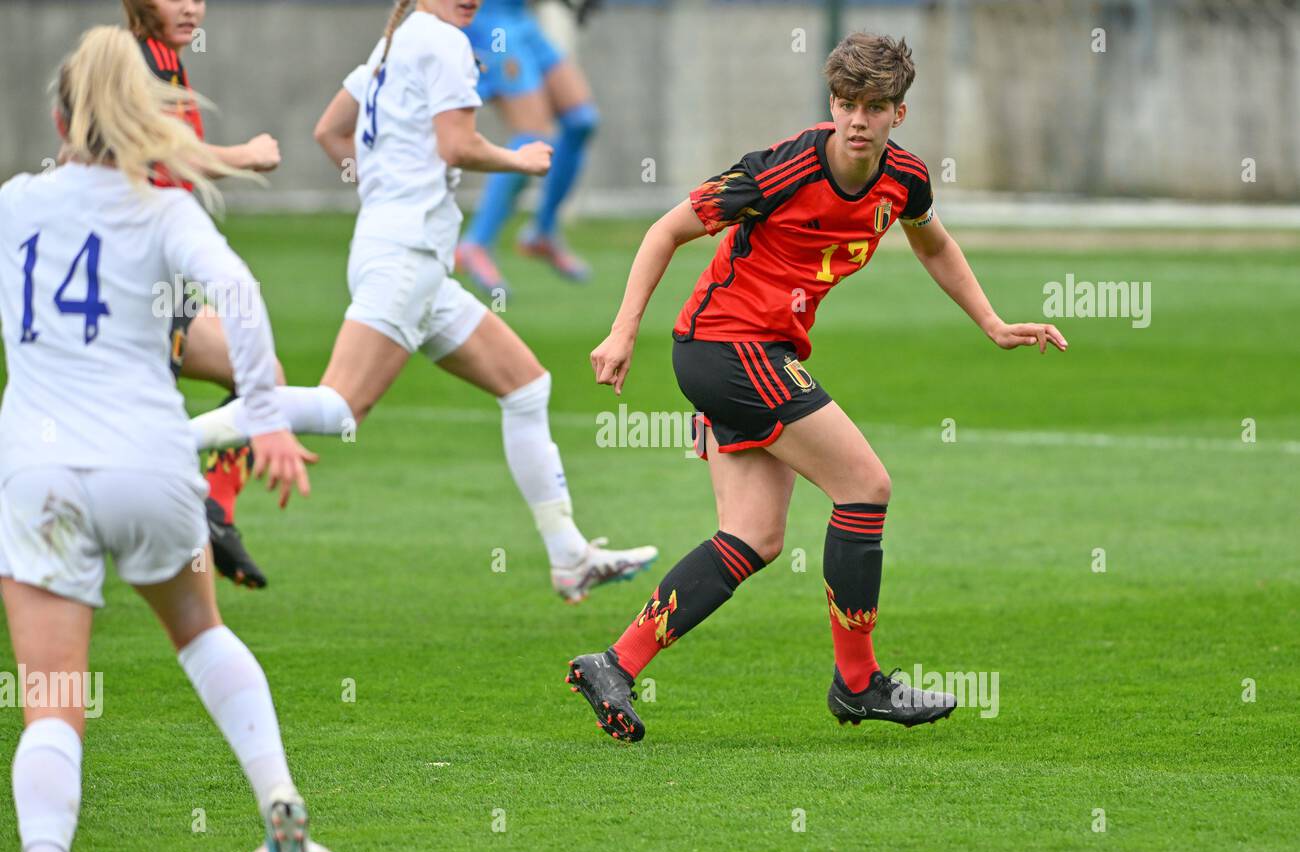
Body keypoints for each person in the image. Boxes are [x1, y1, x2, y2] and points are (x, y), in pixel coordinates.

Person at [566, 33, 1068, 741]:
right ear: (831, 104)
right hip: (724, 346)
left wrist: (990, 321)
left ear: (899, 113)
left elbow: (932, 240)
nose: (857, 120)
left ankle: (613, 662)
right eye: (845, 104)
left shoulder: (905, 179)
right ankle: (859, 684)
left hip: (754, 354)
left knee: (754, 537)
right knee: (865, 485)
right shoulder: (781, 169)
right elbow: (666, 231)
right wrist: (622, 333)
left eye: (874, 107)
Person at [188, 0, 656, 603]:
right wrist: (519, 158)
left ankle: (570, 556)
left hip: (407, 257)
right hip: (405, 257)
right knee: (339, 409)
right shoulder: (443, 42)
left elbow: (329, 130)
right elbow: (456, 146)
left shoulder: (398, 41)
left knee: (526, 385)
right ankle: (167, 445)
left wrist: (383, 187)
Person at [0, 25, 330, 852]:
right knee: (203, 636)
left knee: (52, 705)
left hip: (40, 479)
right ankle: (280, 803)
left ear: (57, 118)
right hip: (149, 467)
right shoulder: (163, 207)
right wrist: (266, 418)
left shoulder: (13, 204)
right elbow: (240, 295)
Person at [124, 0, 286, 590]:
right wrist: (245, 156)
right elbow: (164, 159)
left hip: (161, 284)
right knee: (135, 434)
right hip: (129, 289)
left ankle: (213, 511)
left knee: (261, 370)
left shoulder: (164, 62)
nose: (192, 6)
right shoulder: (139, 65)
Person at [455, 0, 602, 294]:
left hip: (520, 18)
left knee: (581, 120)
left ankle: (542, 232)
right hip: (490, 24)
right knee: (534, 133)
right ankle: (476, 243)